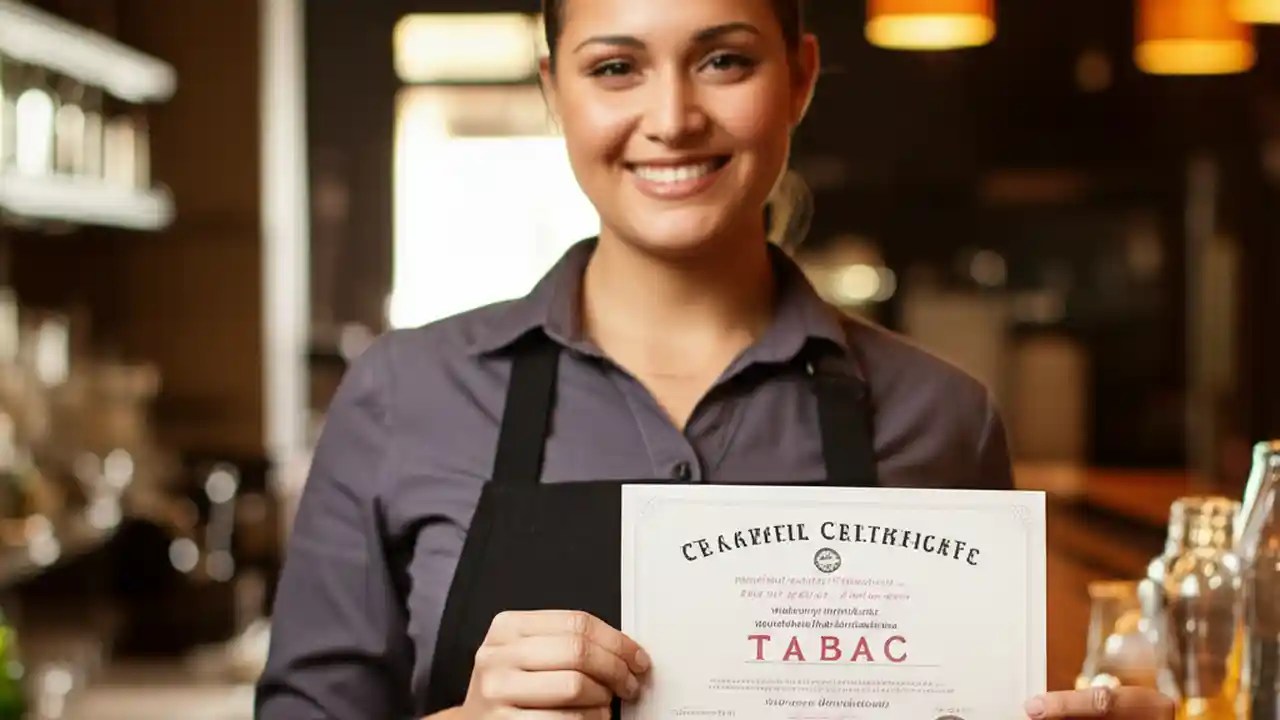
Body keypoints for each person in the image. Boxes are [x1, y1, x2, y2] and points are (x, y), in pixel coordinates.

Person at [255, 1, 1175, 719]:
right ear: (553, 91)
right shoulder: (400, 395)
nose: (673, 118)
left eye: (724, 60)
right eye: (615, 68)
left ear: (800, 76)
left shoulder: (945, 417)